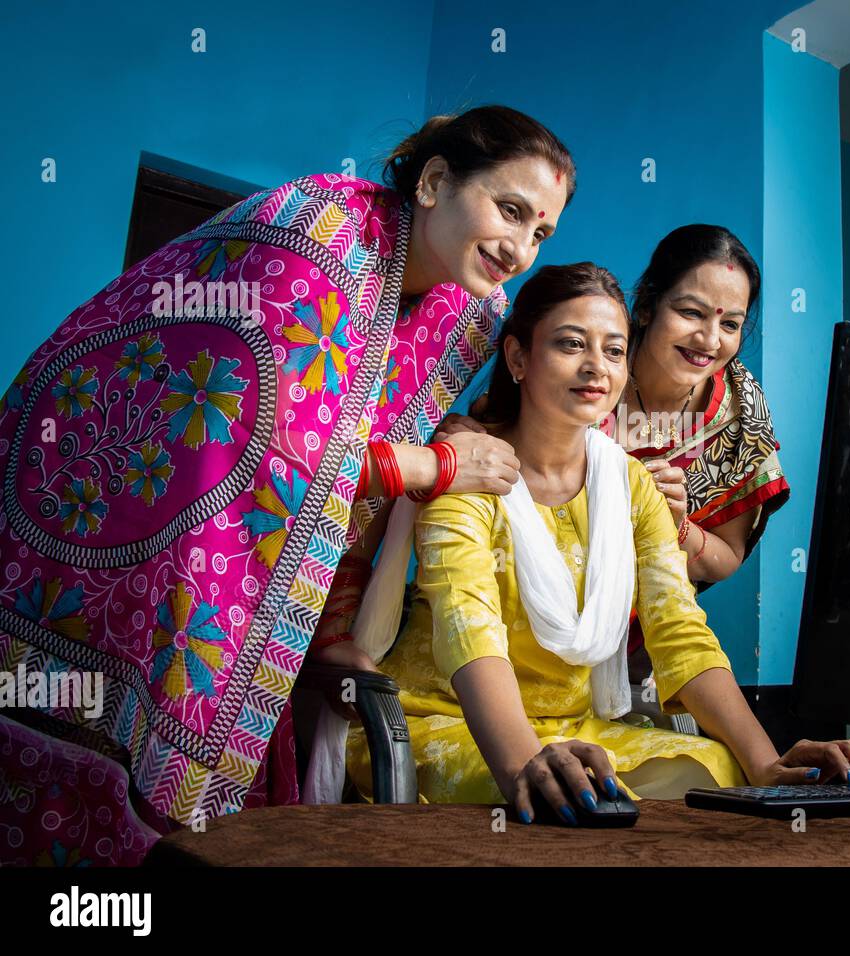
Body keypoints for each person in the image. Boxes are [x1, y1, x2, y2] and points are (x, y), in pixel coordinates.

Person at [0, 104, 572, 865]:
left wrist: (333, 632)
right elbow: (260, 447)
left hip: (241, 584)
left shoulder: (466, 313)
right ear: (435, 180)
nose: (520, 248)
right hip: (117, 498)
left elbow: (353, 487)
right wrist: (436, 467)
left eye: (541, 232)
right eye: (510, 210)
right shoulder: (318, 232)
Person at [346, 263, 850, 820]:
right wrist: (523, 763)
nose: (595, 368)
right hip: (452, 724)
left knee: (720, 773)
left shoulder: (629, 485)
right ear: (517, 358)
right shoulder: (473, 472)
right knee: (564, 798)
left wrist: (768, 765)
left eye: (614, 350)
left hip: (579, 728)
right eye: (570, 344)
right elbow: (468, 631)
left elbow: (679, 631)